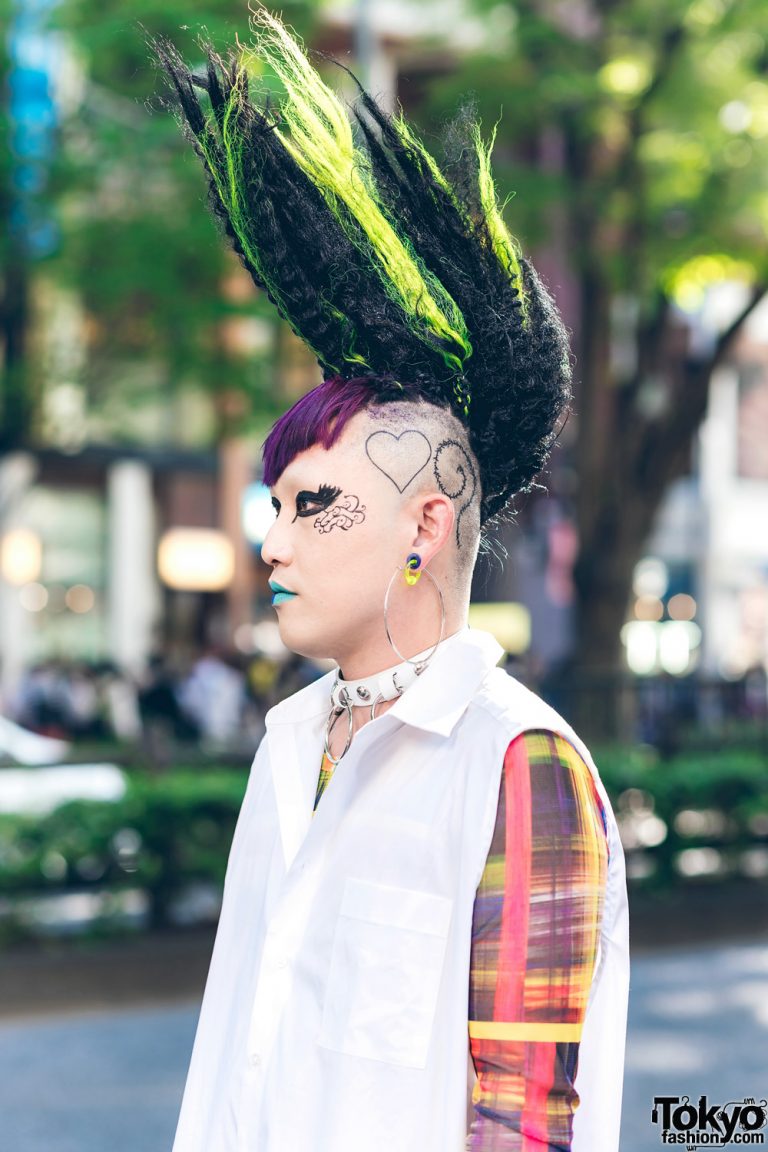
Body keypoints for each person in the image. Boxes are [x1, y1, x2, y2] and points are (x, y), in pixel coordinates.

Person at [149, 8, 629, 1150]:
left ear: (423, 525)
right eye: (276, 507)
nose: (275, 544)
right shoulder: (285, 746)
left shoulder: (521, 764)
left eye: (314, 506)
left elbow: (527, 1120)